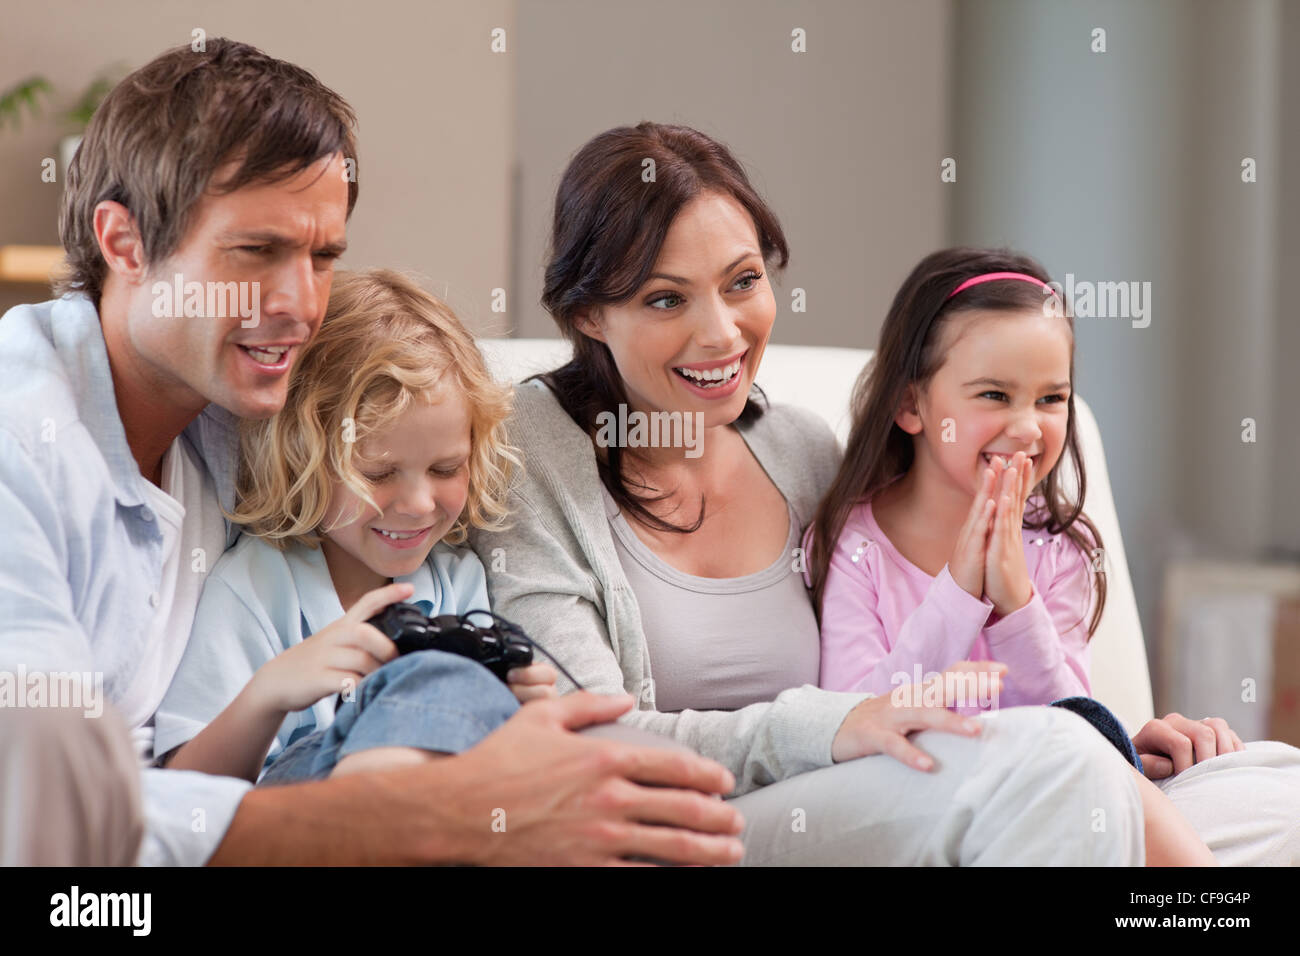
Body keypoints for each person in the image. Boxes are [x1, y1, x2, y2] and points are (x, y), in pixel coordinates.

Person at [0, 40, 745, 867]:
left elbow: (422, 418)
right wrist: (415, 818)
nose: (298, 305)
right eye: (256, 253)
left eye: (322, 257)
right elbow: (43, 819)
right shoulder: (21, 443)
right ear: (125, 242)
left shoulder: (241, 414)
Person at [467, 122, 1150, 864]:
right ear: (589, 314)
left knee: (1267, 785)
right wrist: (829, 725)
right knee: (1057, 765)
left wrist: (1124, 745)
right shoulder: (527, 450)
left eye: (743, 281)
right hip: (690, 831)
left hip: (841, 794)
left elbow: (919, 661)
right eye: (667, 300)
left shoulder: (799, 448)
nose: (722, 333)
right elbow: (592, 736)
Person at [803, 247, 1227, 864]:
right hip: (918, 805)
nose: (1029, 428)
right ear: (911, 405)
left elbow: (1082, 728)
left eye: (1052, 399)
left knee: (1273, 775)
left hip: (1062, 796)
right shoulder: (853, 543)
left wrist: (1017, 604)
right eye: (995, 395)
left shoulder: (1061, 549)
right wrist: (957, 593)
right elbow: (854, 721)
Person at [153, 268, 558, 785]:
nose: (417, 504)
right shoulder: (255, 587)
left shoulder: (459, 581)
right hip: (300, 810)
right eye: (378, 473)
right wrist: (269, 694)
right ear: (300, 459)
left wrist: (516, 710)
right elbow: (182, 787)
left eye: (445, 469)